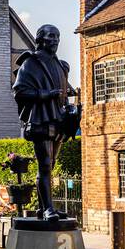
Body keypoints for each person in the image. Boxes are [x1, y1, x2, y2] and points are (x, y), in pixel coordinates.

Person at [12, 24, 80, 221]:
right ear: (40, 39)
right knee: (45, 165)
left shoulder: (61, 66)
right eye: (51, 36)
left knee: (51, 166)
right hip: (40, 119)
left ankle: (44, 208)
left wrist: (70, 110)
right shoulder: (30, 63)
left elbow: (64, 95)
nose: (55, 40)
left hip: (58, 120)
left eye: (57, 36)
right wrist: (44, 94)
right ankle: (48, 208)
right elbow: (19, 92)